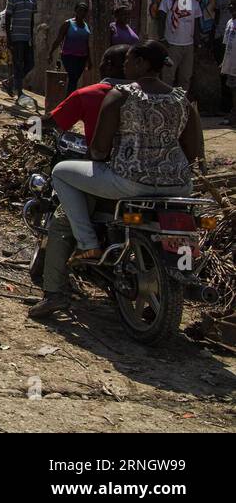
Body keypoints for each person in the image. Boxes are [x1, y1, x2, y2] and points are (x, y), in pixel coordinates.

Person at [29, 39, 204, 319]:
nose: (126, 66)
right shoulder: (182, 99)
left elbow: (98, 149)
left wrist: (109, 160)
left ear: (143, 64)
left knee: (61, 173)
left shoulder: (121, 95)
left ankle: (86, 244)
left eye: (130, 61)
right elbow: (193, 151)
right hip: (179, 184)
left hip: (130, 182)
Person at [46, 45, 130, 145]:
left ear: (108, 65)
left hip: (101, 157)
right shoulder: (147, 95)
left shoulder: (88, 94)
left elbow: (53, 121)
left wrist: (29, 124)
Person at [158, 0, 200, 94]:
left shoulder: (194, 4)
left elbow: (196, 24)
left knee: (185, 77)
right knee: (168, 76)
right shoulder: (168, 0)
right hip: (171, 44)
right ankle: (166, 101)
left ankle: (181, 103)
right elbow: (161, 18)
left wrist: (197, 43)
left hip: (188, 45)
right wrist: (162, 38)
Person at [4, 0, 38, 101]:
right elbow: (8, 19)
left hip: (27, 37)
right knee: (18, 64)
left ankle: (11, 82)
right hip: (16, 37)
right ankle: (19, 91)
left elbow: (32, 20)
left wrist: (31, 37)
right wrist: (9, 38)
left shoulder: (33, 0)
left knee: (30, 63)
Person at [48, 2, 92, 99]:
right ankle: (69, 100)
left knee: (75, 79)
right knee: (72, 78)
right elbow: (59, 39)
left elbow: (86, 44)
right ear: (76, 11)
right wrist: (51, 53)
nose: (82, 12)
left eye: (85, 11)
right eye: (80, 10)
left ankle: (68, 100)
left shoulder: (86, 26)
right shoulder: (68, 24)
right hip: (68, 56)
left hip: (82, 57)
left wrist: (89, 60)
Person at [222, 13, 236, 126]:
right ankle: (233, 115)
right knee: (232, 89)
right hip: (231, 62)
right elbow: (226, 43)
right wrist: (224, 61)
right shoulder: (230, 22)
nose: (231, 8)